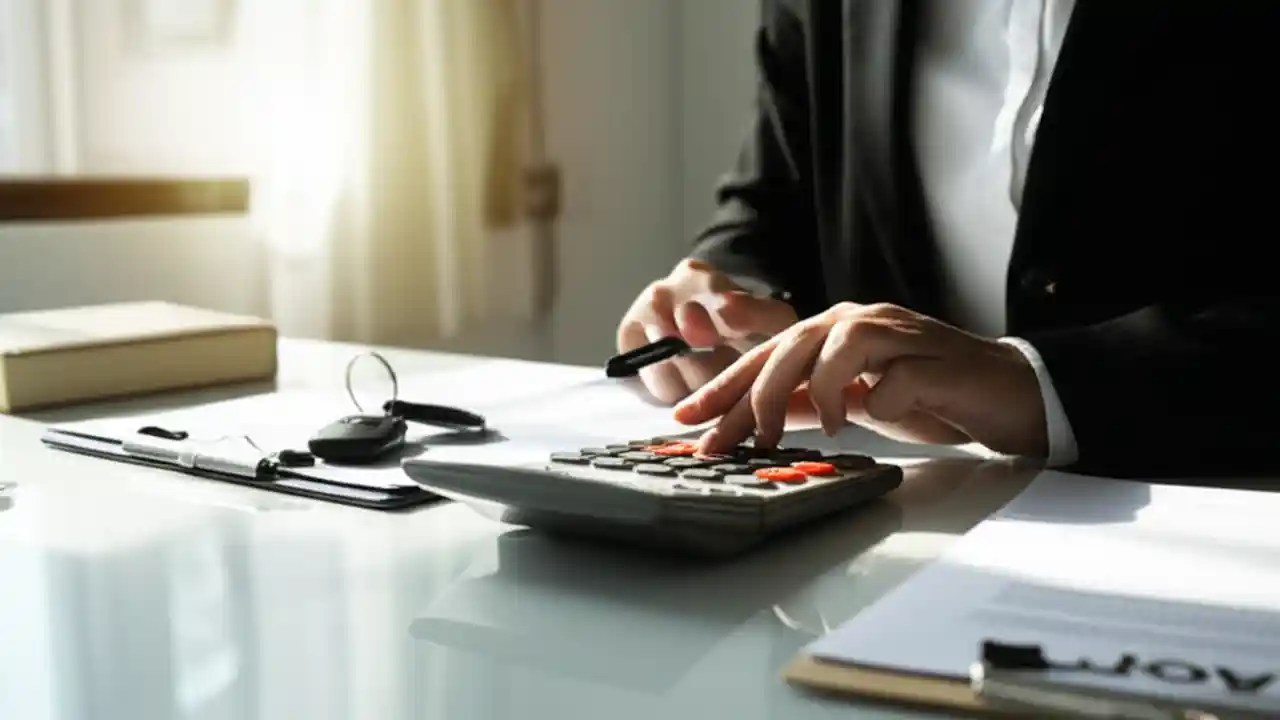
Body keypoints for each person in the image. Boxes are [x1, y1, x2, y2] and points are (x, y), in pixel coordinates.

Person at [616, 0, 1280, 477]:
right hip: (904, 527)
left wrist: (1041, 384)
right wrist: (726, 295)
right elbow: (776, 198)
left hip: (1218, 518)